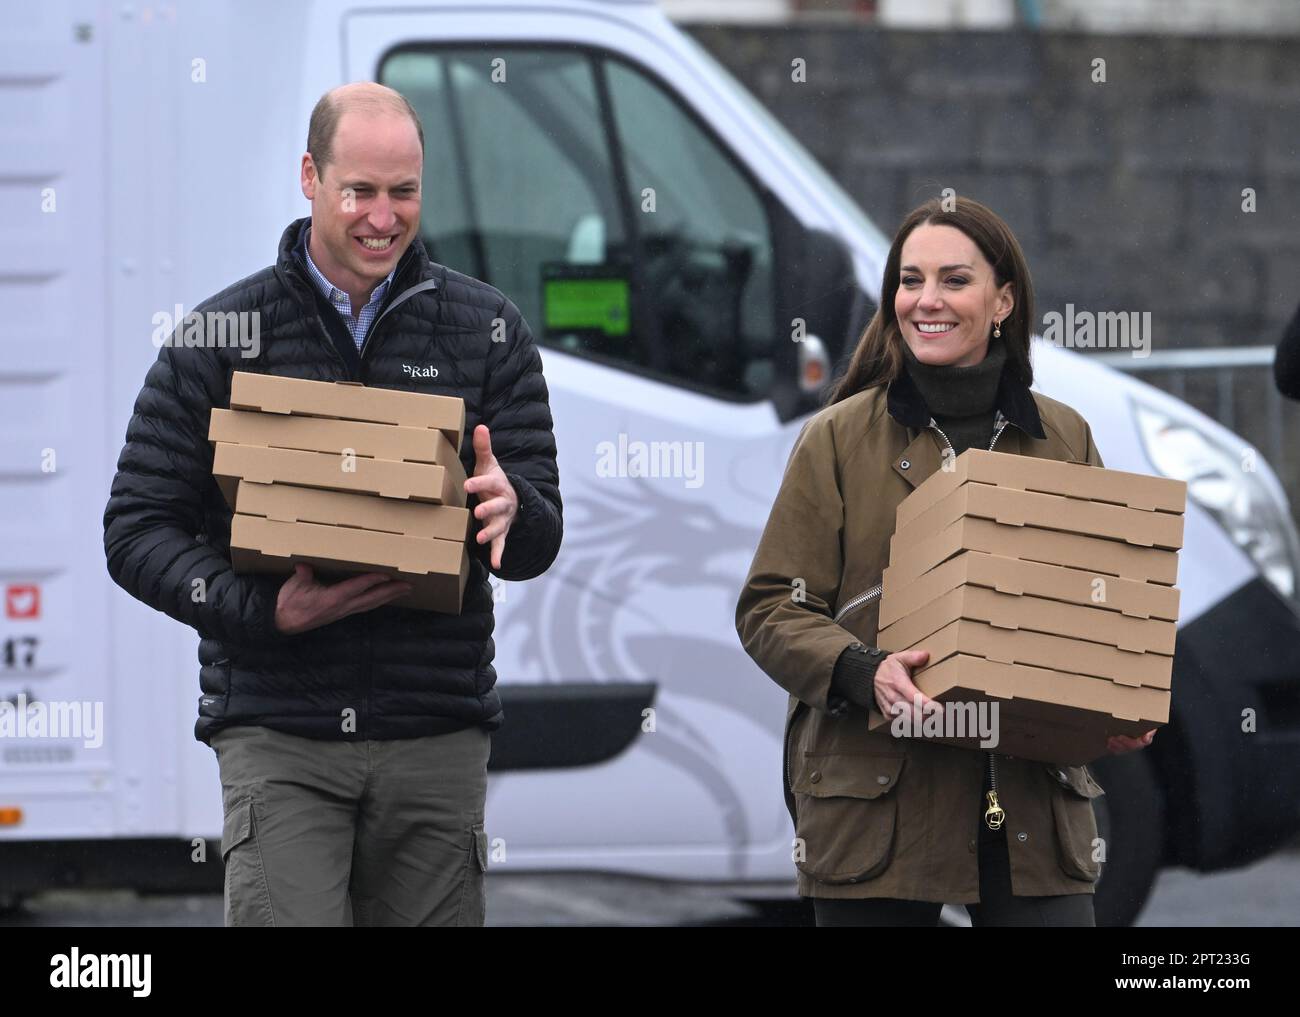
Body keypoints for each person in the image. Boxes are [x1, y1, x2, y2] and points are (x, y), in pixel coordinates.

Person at [103, 82, 563, 927]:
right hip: (280, 732)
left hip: (436, 730)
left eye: (404, 192)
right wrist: (266, 608)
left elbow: (538, 538)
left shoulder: (487, 330)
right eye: (360, 191)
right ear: (309, 177)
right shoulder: (221, 336)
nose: (383, 217)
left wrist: (515, 509)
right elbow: (135, 530)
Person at [735, 196, 1155, 927]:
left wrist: (1112, 701)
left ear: (1003, 301)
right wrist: (864, 671)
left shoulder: (1064, 434)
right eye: (909, 279)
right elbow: (772, 606)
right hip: (876, 805)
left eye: (953, 280)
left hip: (1029, 799)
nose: (925, 300)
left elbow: (1099, 603)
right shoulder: (836, 439)